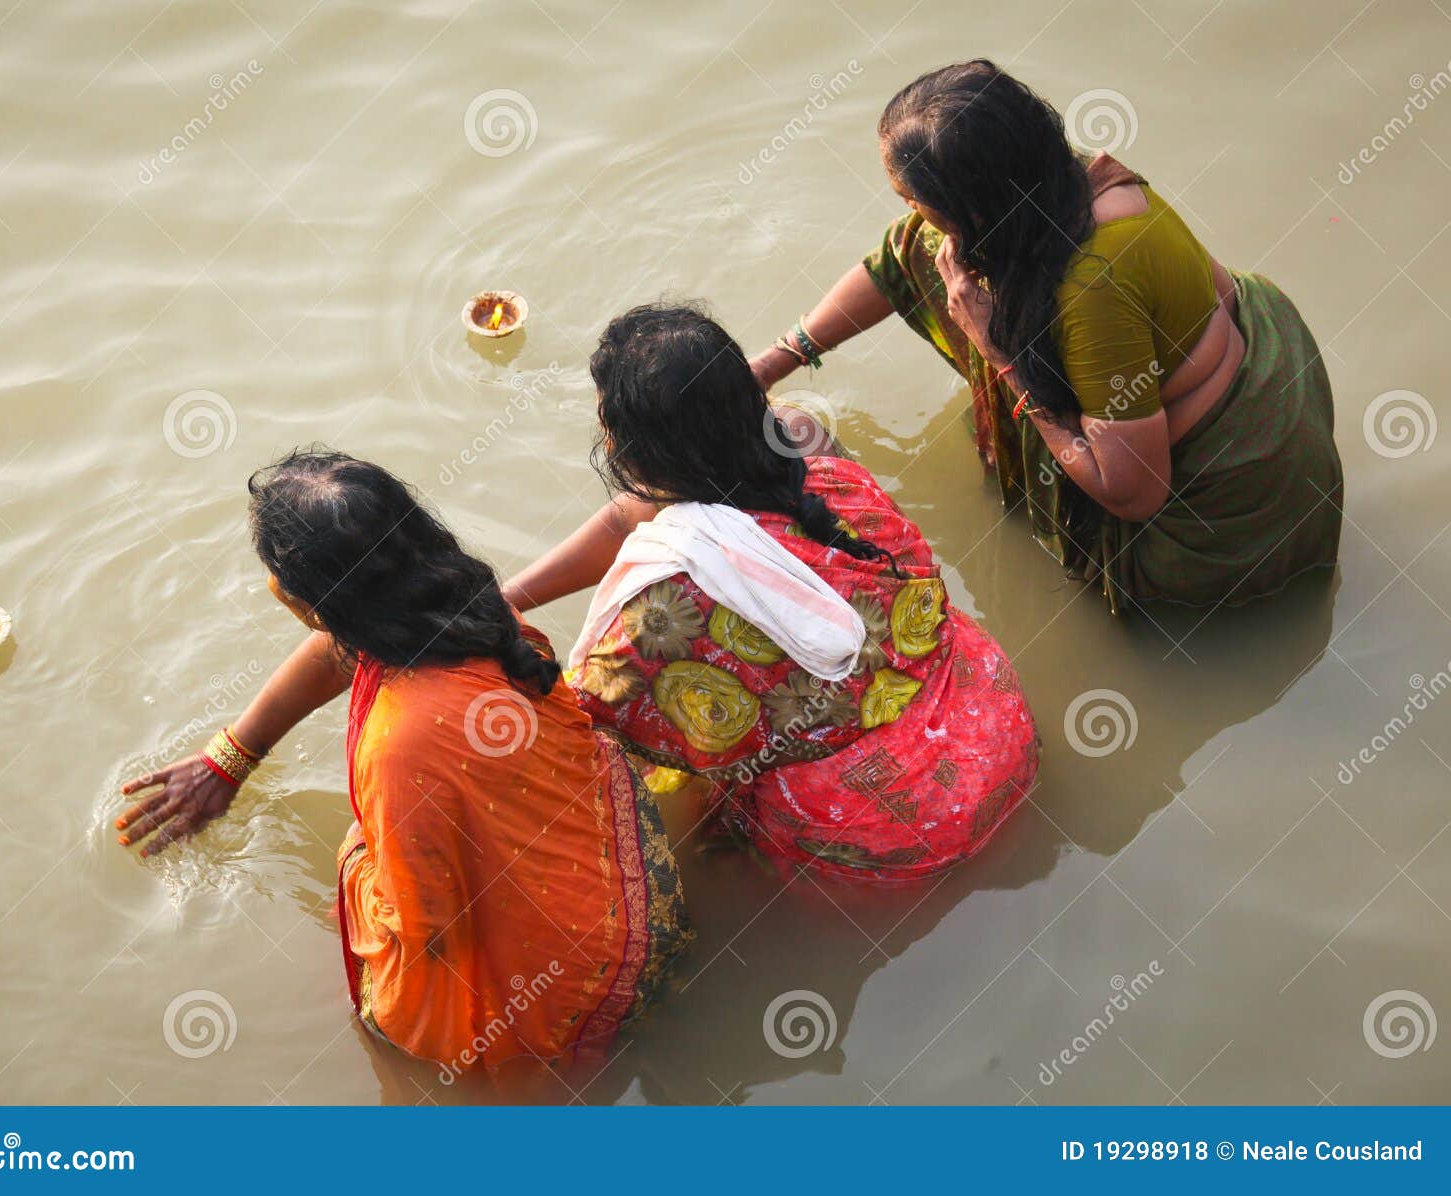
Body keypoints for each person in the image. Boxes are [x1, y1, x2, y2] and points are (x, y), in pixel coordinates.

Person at [116, 450, 691, 1075]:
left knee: (391, 1021)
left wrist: (359, 859)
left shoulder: (400, 746)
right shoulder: (479, 619)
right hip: (640, 908)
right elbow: (342, 649)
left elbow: (431, 935)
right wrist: (230, 757)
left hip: (560, 997)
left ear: (312, 607)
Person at [748, 59, 1343, 613]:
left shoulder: (1093, 290)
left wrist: (995, 349)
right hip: (1219, 380)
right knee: (926, 252)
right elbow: (903, 255)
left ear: (979, 207)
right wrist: (774, 363)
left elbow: (1134, 494)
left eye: (918, 202)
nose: (912, 215)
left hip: (1213, 532)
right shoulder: (1059, 179)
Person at [505, 304, 1040, 881]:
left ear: (633, 455)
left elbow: (578, 732)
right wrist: (505, 595)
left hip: (891, 831)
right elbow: (636, 516)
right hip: (998, 729)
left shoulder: (656, 616)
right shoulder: (822, 464)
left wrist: (495, 629)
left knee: (695, 826)